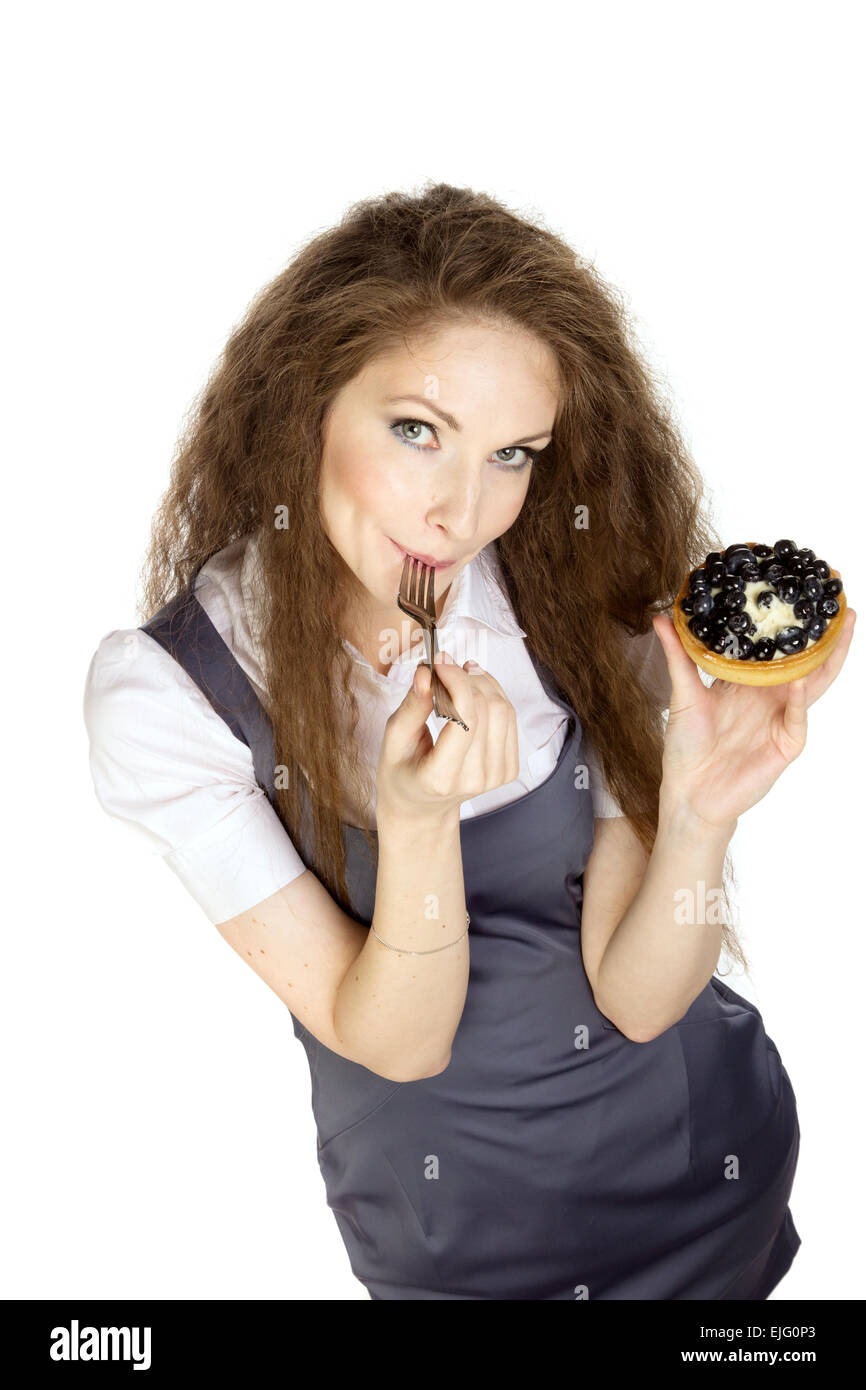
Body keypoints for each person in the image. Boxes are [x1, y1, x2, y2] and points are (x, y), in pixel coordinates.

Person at [83, 181, 855, 1300]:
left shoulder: (571, 590)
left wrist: (695, 810)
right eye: (416, 432)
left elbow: (639, 999)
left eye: (512, 454)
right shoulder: (174, 693)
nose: (463, 510)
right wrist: (417, 823)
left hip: (704, 1178)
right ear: (305, 405)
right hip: (458, 1250)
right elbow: (394, 1041)